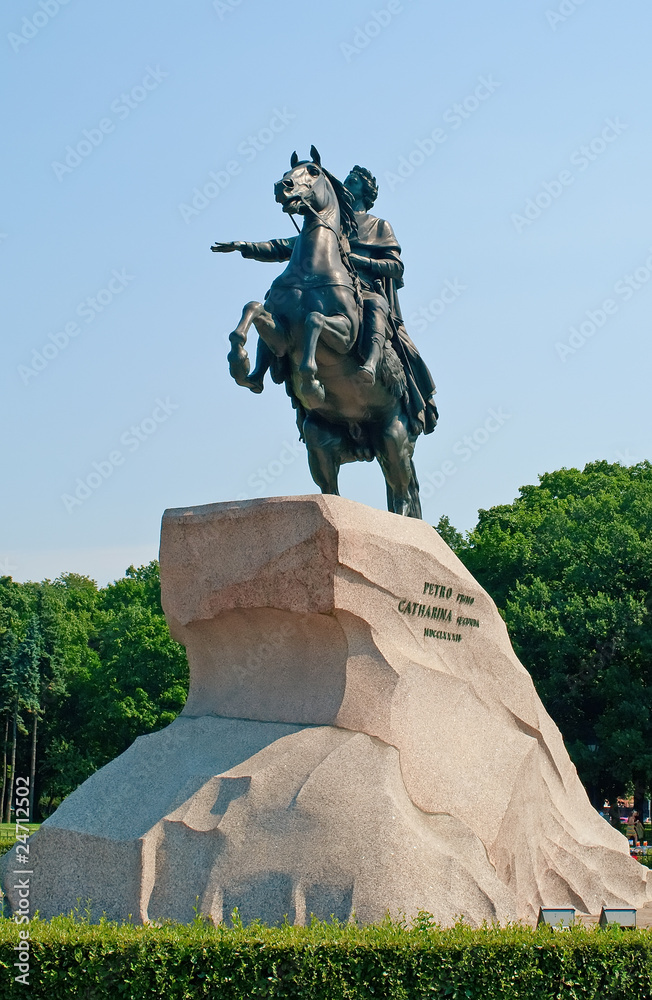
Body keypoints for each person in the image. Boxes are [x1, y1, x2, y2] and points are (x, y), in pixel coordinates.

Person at [211, 164, 438, 436]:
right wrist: (244, 247)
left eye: (354, 181)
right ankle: (259, 372)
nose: (347, 182)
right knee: (276, 299)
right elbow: (283, 246)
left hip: (360, 288)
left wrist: (358, 260)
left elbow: (395, 267)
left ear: (366, 192)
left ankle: (371, 364)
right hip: (320, 285)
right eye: (349, 178)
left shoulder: (378, 226)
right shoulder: (326, 224)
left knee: (377, 304)